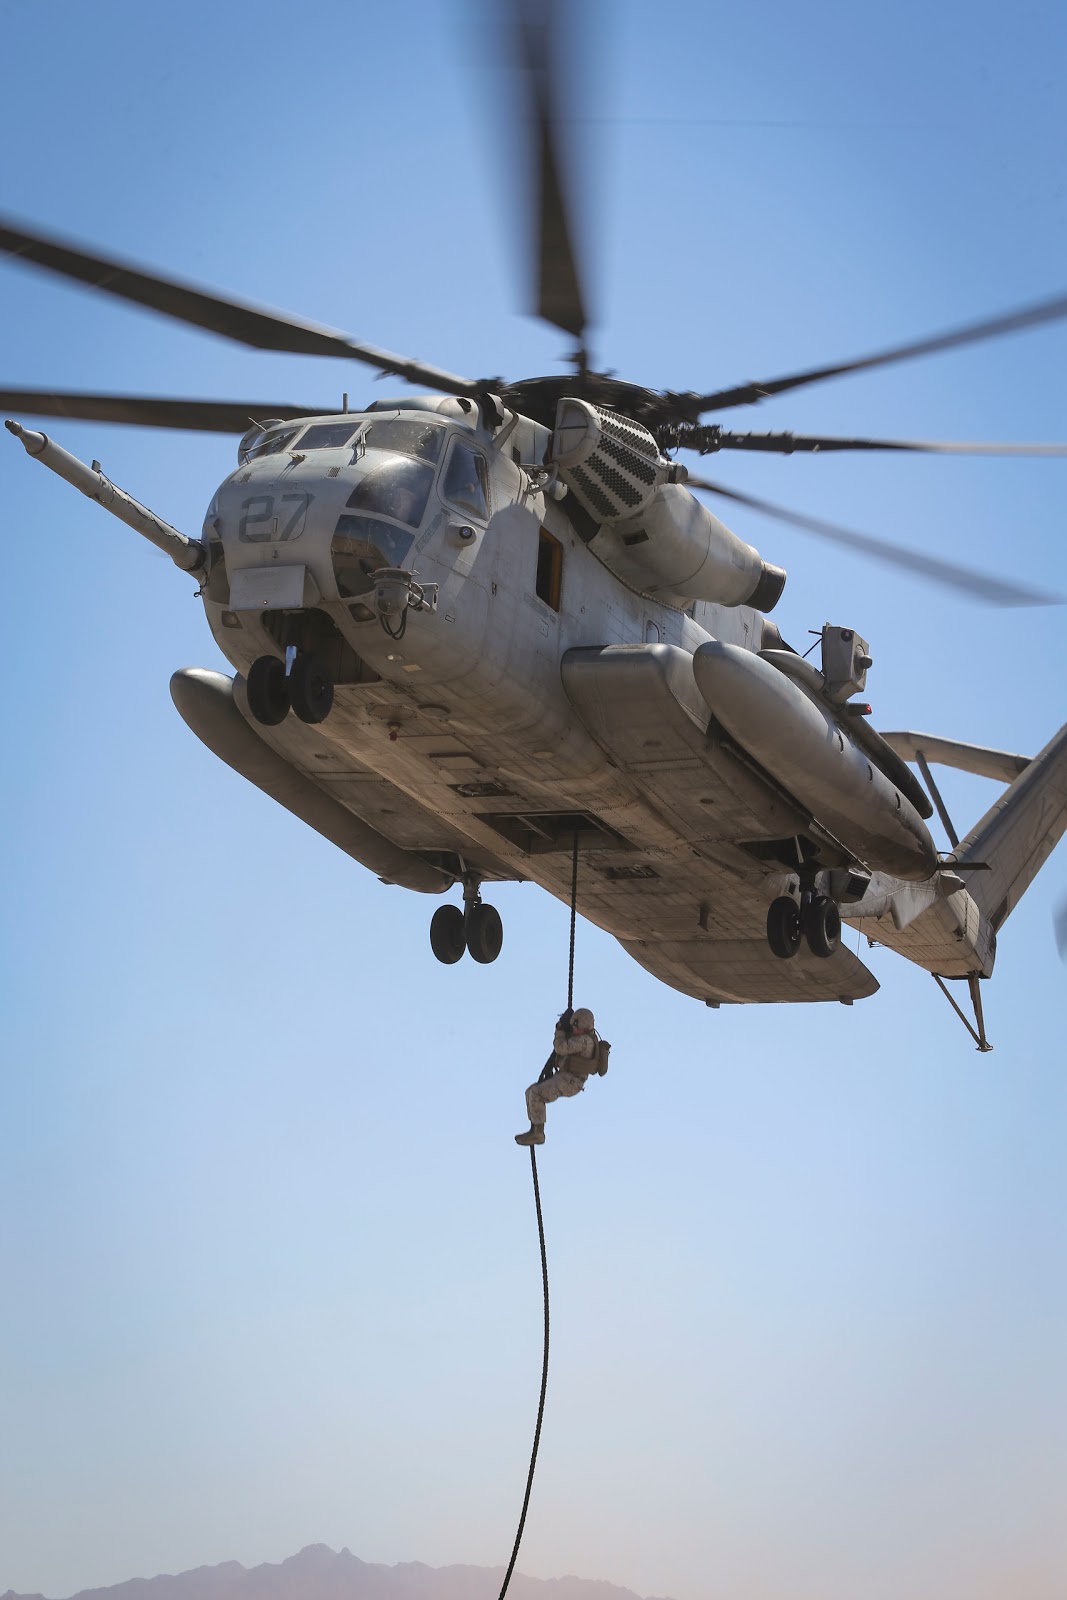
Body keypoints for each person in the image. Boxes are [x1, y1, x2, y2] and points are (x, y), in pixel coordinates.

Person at [515, 1007, 604, 1146]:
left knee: (537, 1094)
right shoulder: (584, 1037)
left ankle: (538, 1133)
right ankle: (534, 1128)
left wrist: (560, 1029)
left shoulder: (584, 1041)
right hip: (566, 1077)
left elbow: (560, 1048)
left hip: (570, 1082)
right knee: (530, 1092)